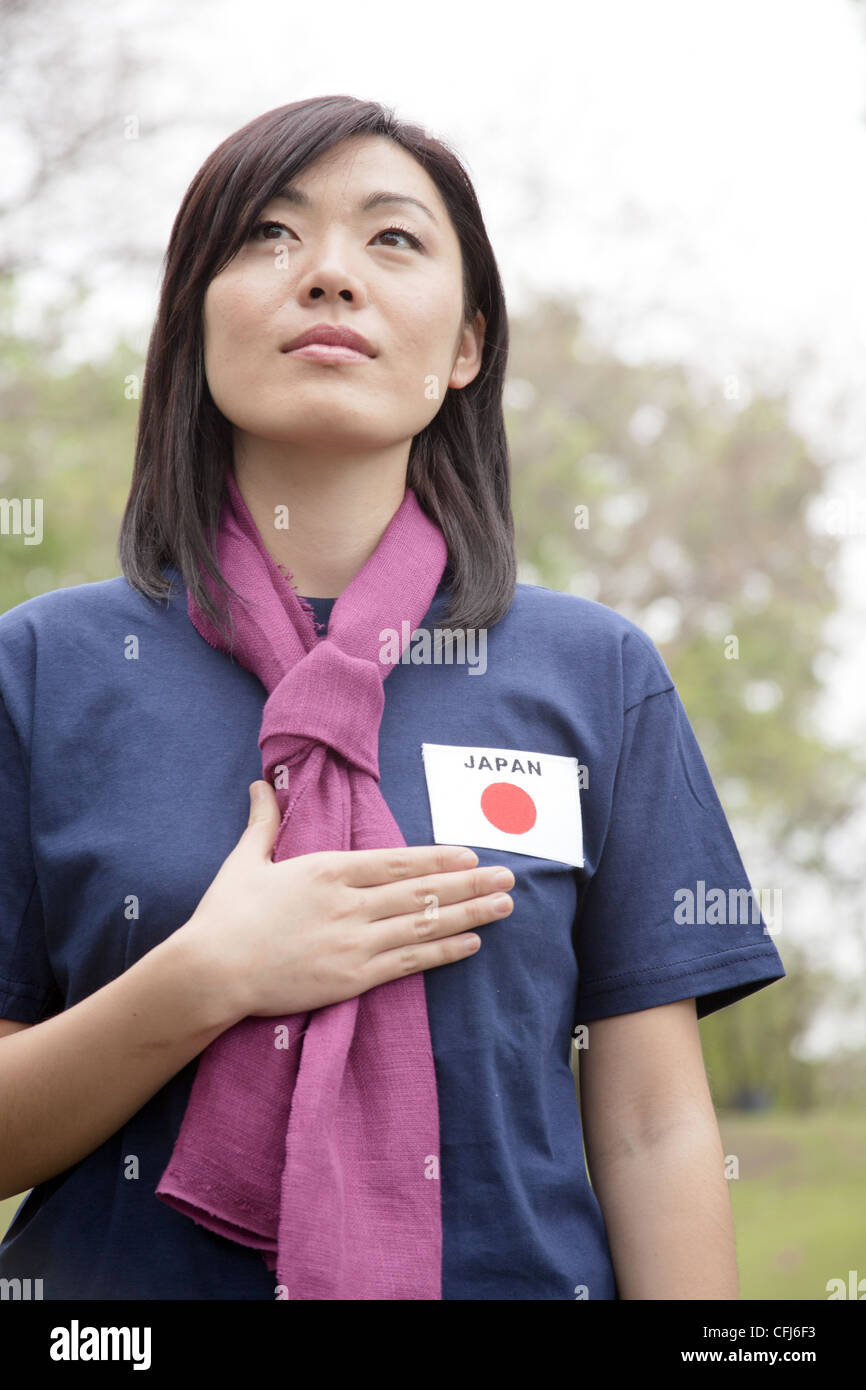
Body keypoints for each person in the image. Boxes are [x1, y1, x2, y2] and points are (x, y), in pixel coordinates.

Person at [0, 95, 785, 1301]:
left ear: (465, 347)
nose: (326, 276)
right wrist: (208, 975)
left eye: (391, 239)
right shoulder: (42, 666)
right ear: (192, 326)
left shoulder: (595, 674)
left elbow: (652, 1127)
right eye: (267, 234)